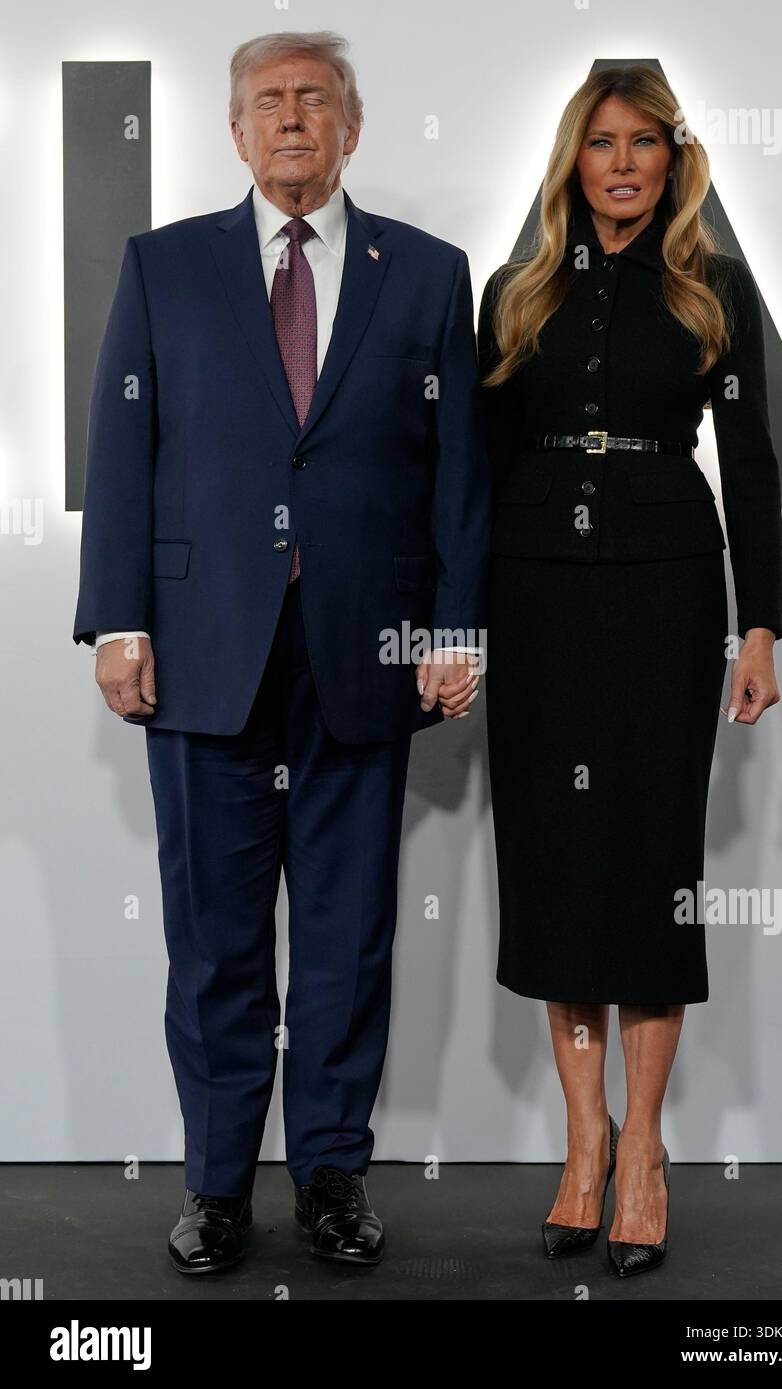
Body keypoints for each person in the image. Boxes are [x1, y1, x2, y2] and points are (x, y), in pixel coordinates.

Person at [73, 30, 490, 1273]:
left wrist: (456, 625)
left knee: (351, 935)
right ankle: (212, 1189)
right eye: (270, 101)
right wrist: (119, 617)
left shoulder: (425, 274)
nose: (293, 118)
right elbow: (120, 449)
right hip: (202, 653)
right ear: (236, 131)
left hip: (364, 654)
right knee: (213, 940)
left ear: (352, 126)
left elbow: (458, 470)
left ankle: (331, 1179)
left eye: (316, 98)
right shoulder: (164, 267)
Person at [478, 63, 782, 1278]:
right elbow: (474, 466)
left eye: (639, 142)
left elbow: (751, 461)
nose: (618, 162)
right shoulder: (516, 290)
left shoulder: (714, 286)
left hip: (664, 585)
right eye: (597, 142)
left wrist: (756, 625)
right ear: (573, 157)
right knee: (554, 865)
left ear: (671, 155)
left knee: (652, 861)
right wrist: (452, 618)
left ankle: (645, 1152)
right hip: (537, 585)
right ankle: (581, 1150)